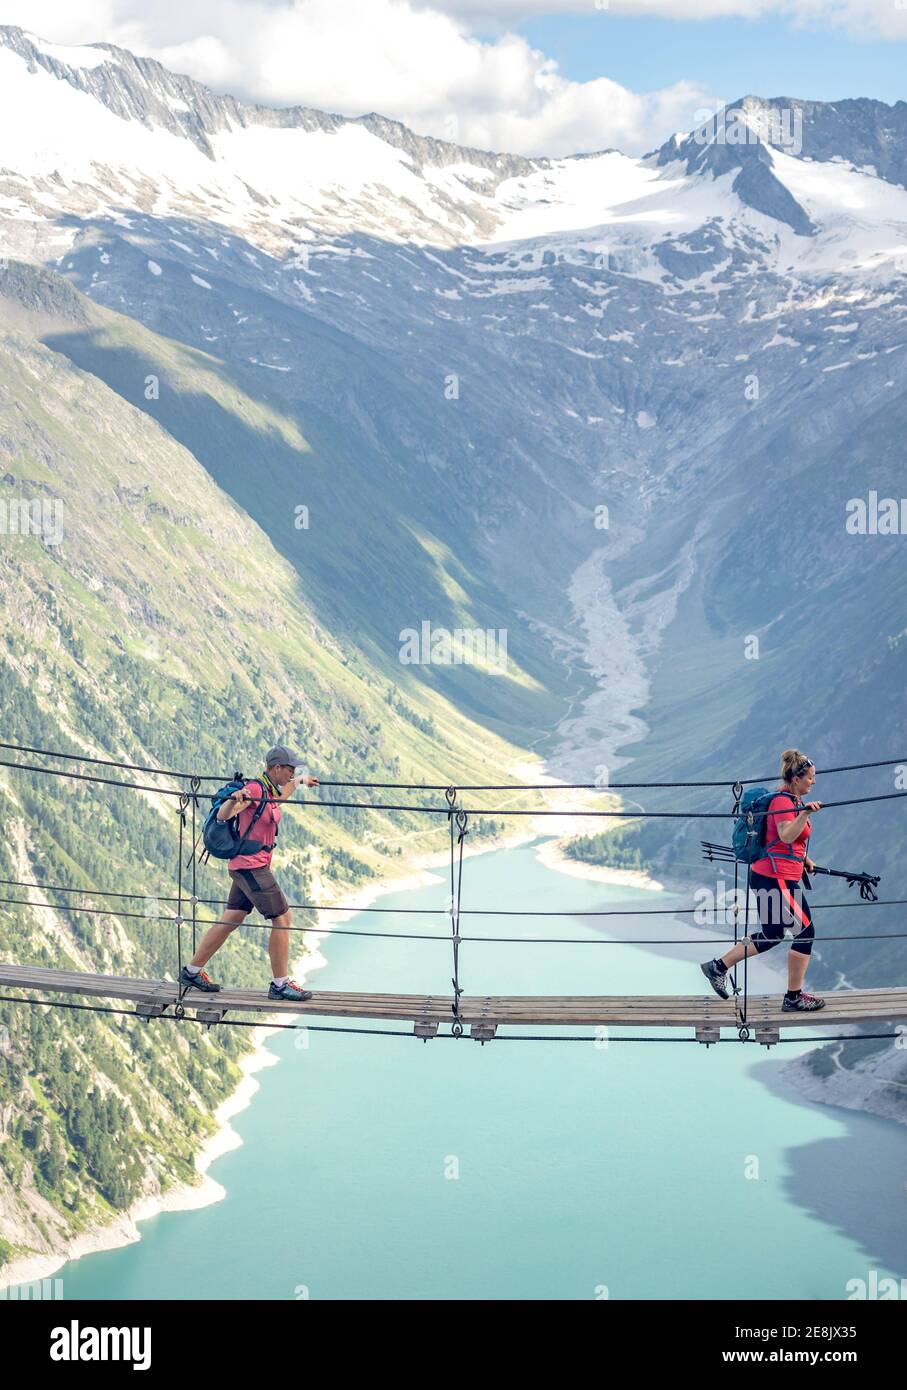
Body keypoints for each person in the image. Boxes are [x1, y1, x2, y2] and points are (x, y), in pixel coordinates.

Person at [179, 745, 319, 1001]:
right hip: (251, 867)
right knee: (283, 918)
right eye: (290, 769)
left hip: (248, 866)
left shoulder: (268, 790)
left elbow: (278, 799)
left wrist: (299, 781)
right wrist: (233, 801)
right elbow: (224, 815)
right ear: (276, 768)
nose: (291, 773)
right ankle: (280, 985)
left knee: (233, 917)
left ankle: (191, 971)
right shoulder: (254, 789)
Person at [701, 749, 826, 1012]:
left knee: (772, 934)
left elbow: (784, 842)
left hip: (771, 875)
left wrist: (805, 860)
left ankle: (717, 967)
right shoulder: (784, 802)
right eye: (810, 778)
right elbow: (785, 835)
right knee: (805, 932)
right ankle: (793, 997)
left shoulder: (791, 800)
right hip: (775, 878)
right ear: (796, 778)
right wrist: (804, 814)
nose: (814, 782)